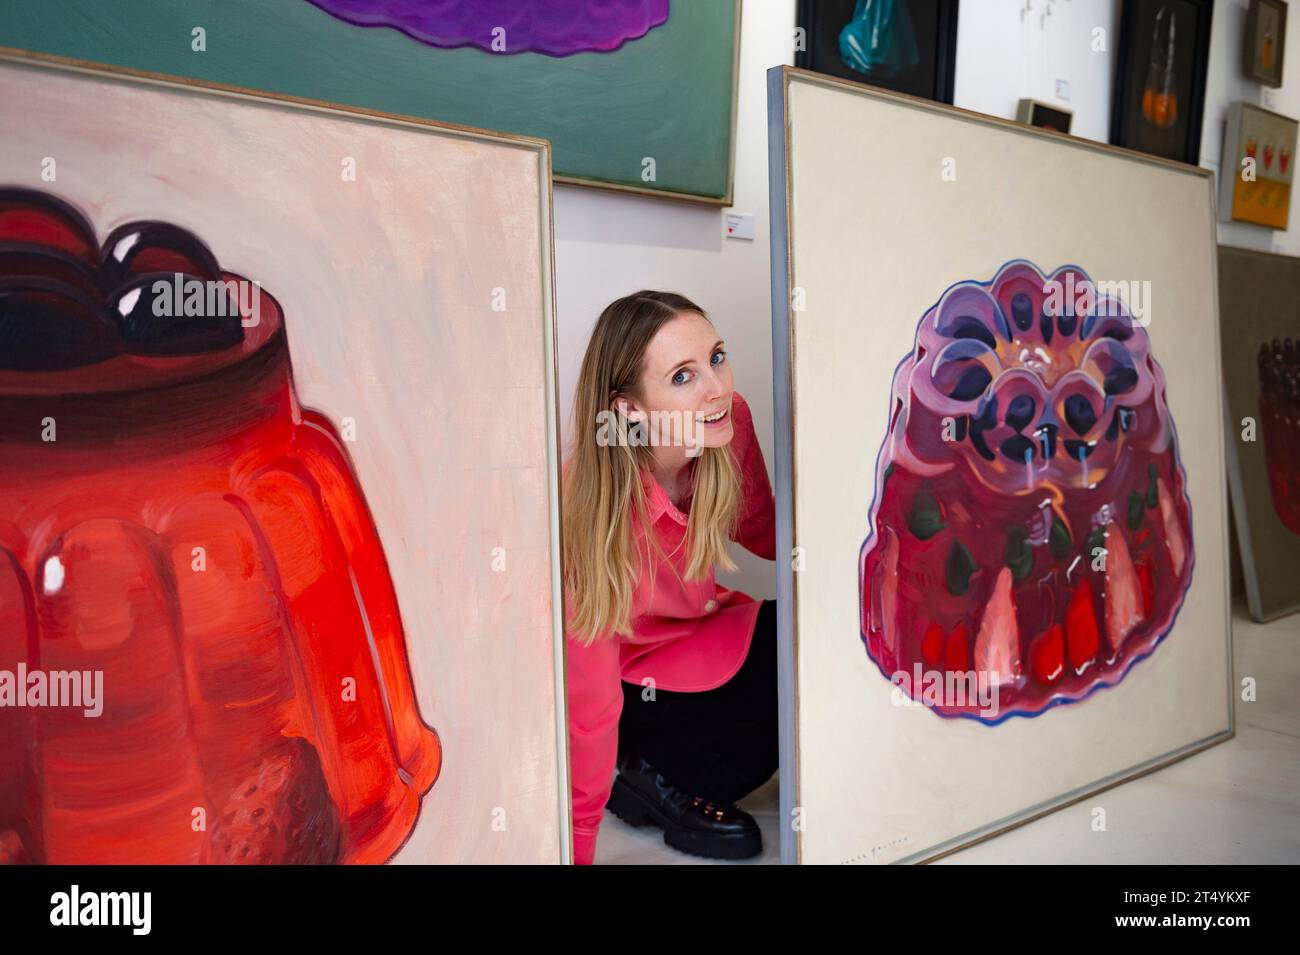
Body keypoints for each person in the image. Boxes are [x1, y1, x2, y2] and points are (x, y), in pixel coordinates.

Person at [562, 290, 778, 865]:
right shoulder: (591, 500)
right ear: (629, 408)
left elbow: (764, 530)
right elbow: (588, 687)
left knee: (804, 643)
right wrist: (579, 844)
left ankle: (654, 779)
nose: (717, 387)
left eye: (716, 357)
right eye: (683, 376)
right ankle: (653, 779)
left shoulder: (729, 426)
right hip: (629, 684)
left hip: (703, 639)